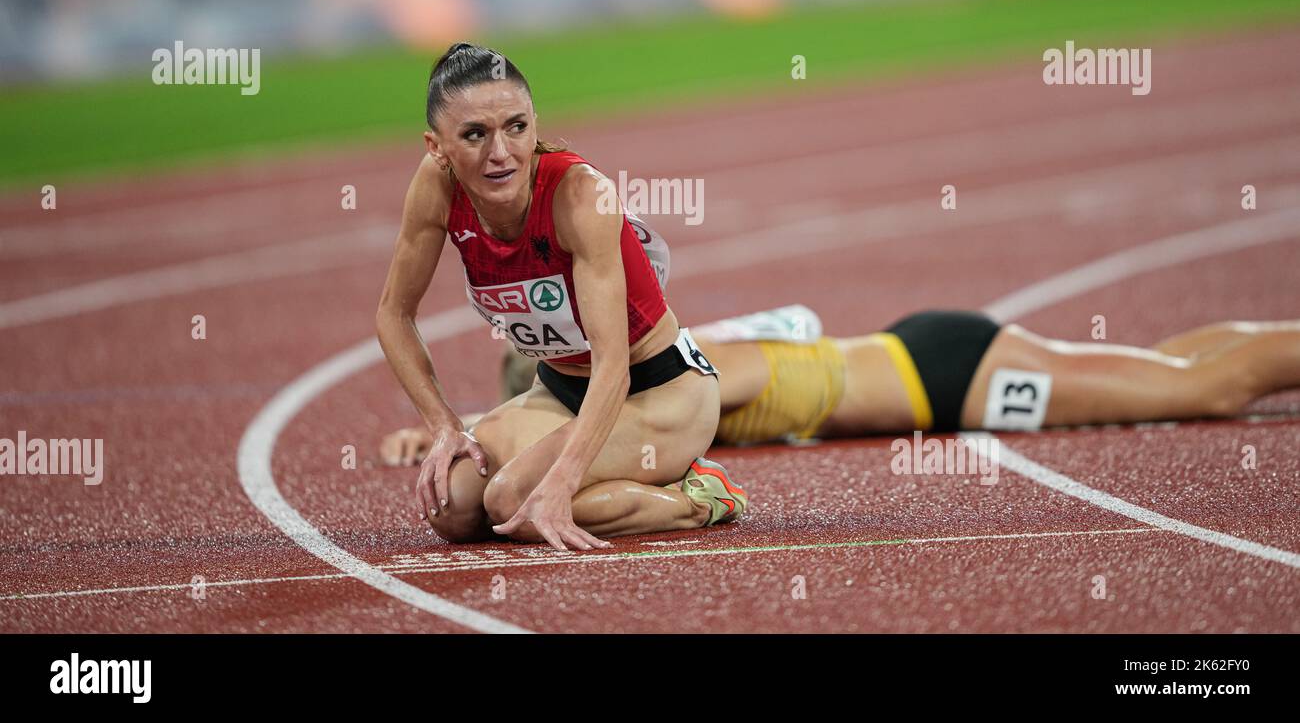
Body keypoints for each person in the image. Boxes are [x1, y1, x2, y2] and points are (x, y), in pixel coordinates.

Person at [374, 43, 747, 554]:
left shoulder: (580, 196)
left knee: (512, 503)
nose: (500, 153)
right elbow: (394, 315)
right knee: (453, 505)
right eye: (474, 135)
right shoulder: (436, 188)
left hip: (657, 393)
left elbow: (612, 363)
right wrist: (444, 426)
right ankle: (598, 481)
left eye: (516, 127)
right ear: (437, 148)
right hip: (560, 391)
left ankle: (698, 497)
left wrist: (565, 478)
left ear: (534, 123)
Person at [383, 302, 1300, 462]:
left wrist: (478, 424)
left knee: (1202, 390)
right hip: (936, 368)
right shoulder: (669, 379)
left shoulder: (691, 379)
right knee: (1178, 368)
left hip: (950, 376)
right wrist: (462, 427)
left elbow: (688, 400)